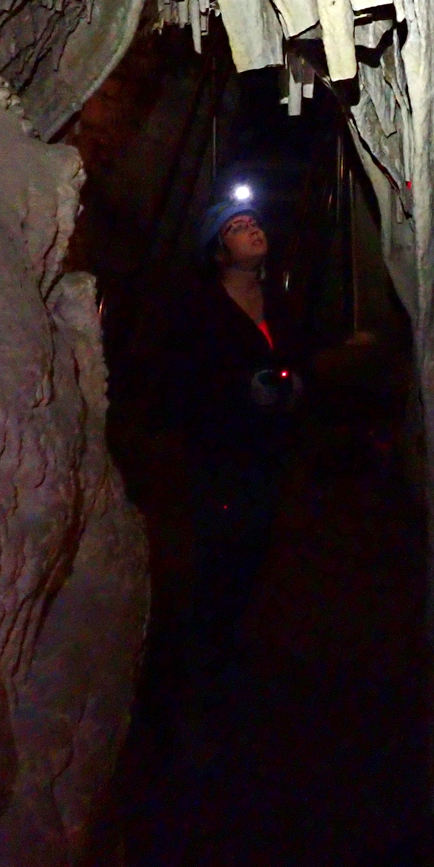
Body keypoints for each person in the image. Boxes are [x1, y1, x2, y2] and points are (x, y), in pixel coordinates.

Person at [171, 186, 303, 675]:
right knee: (221, 546)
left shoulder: (280, 301)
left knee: (257, 544)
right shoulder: (200, 309)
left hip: (269, 449)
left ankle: (235, 637)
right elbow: (184, 378)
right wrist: (238, 389)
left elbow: (298, 354)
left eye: (253, 223)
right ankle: (208, 647)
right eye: (236, 228)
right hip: (220, 452)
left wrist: (295, 385)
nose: (252, 229)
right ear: (219, 251)